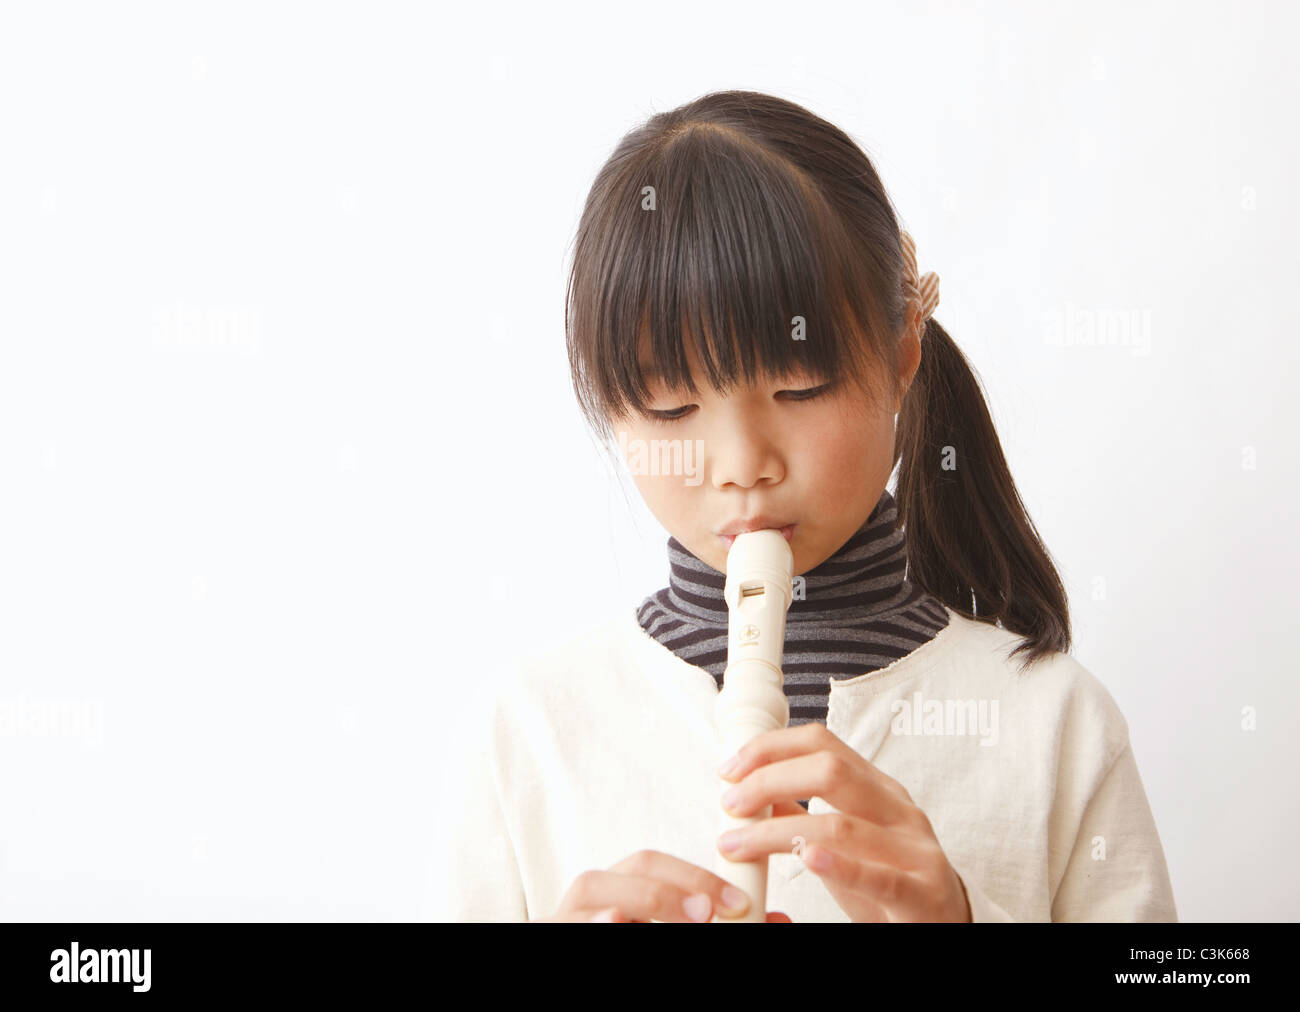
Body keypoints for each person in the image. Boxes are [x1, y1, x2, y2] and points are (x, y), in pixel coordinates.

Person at [426, 89, 1177, 923]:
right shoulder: (529, 731)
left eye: (799, 387)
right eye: (673, 409)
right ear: (613, 410)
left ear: (901, 355)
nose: (743, 467)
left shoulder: (1056, 724)